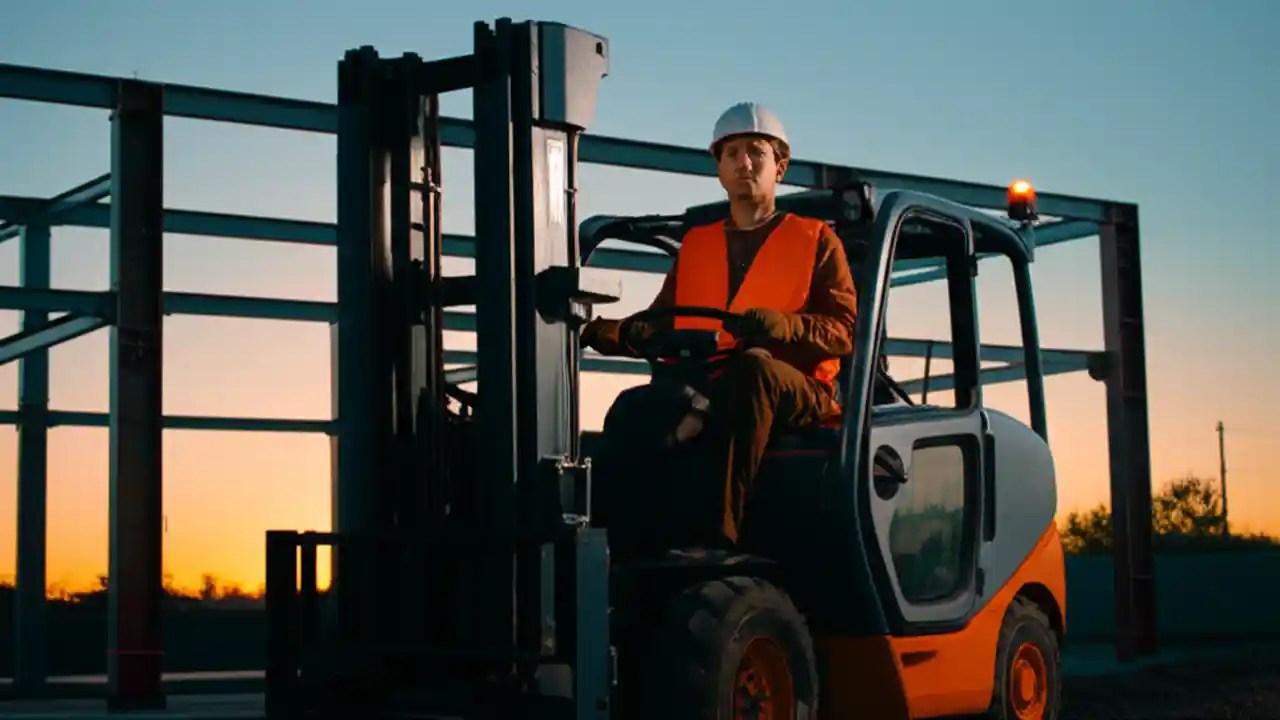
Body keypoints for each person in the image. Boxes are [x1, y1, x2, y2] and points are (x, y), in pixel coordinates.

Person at [581, 102, 859, 548]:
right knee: (633, 407)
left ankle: (717, 538)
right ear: (719, 168)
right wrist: (617, 332)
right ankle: (613, 542)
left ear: (780, 166)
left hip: (797, 388)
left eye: (756, 152)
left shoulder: (816, 239)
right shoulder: (697, 244)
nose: (743, 162)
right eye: (731, 153)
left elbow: (843, 331)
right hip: (706, 381)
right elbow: (663, 319)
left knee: (754, 374)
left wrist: (786, 327)